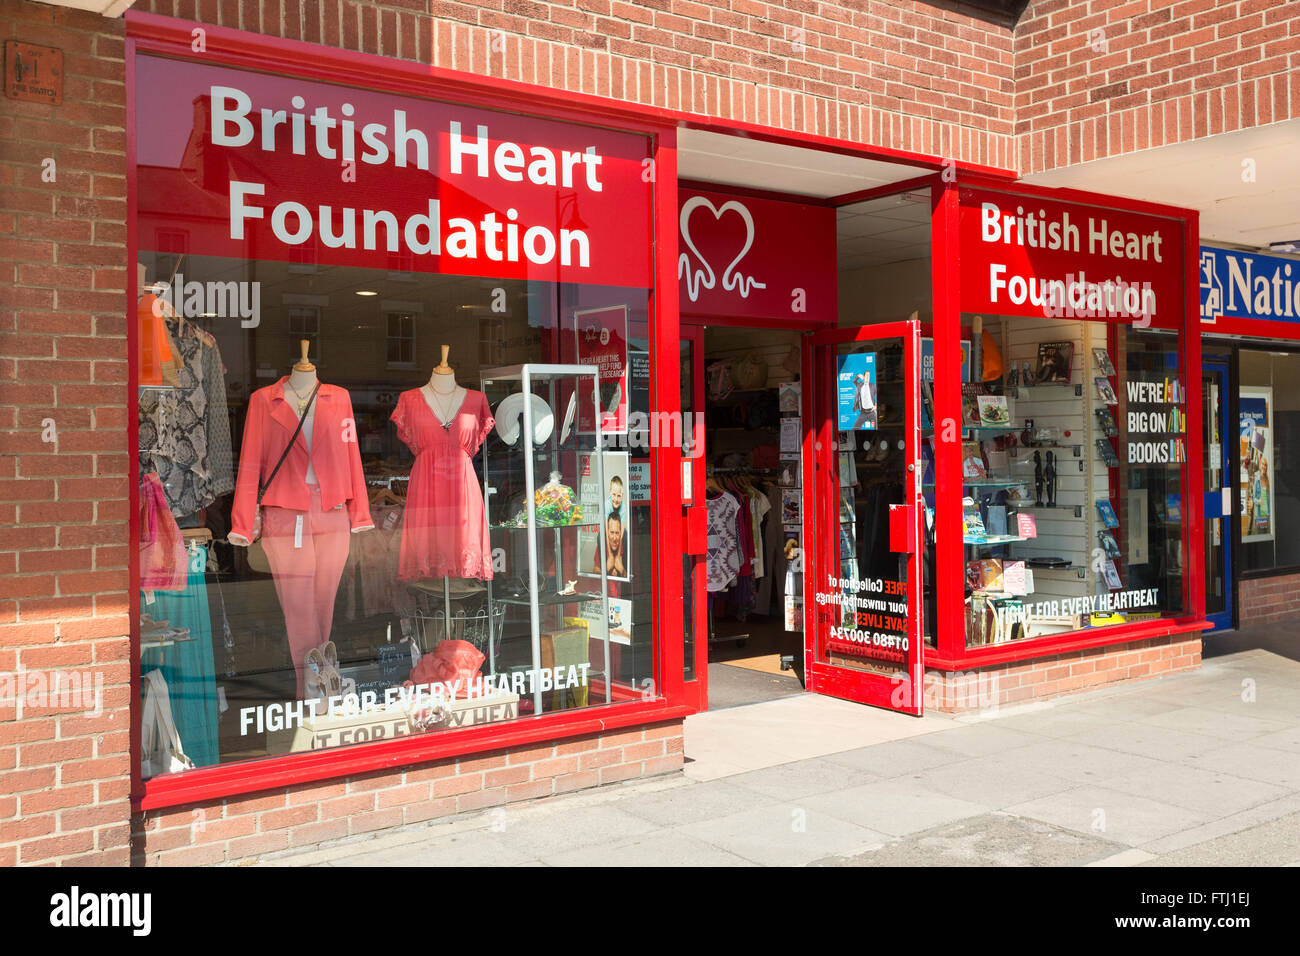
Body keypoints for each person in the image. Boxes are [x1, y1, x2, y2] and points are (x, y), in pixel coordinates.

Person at [595, 509, 627, 578]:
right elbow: (595, 571)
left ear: (621, 533)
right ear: (607, 533)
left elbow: (634, 577)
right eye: (612, 532)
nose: (614, 538)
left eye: (617, 533)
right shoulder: (602, 546)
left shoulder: (625, 547)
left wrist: (622, 570)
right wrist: (606, 569)